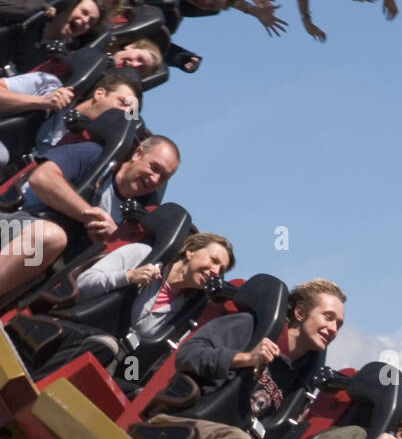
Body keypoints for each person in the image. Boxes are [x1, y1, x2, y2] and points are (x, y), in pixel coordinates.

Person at [148, 278, 346, 439]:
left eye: (339, 325)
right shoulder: (250, 326)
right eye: (328, 317)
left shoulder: (301, 378)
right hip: (180, 418)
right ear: (300, 312)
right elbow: (188, 354)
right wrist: (246, 358)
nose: (333, 330)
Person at [29, 230, 234, 380]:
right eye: (213, 260)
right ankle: (30, 394)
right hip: (77, 323)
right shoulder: (143, 255)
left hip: (125, 359)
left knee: (131, 386)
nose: (216, 271)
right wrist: (128, 276)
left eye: (221, 269)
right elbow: (83, 284)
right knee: (105, 345)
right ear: (190, 251)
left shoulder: (187, 309)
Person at [0, 132, 179, 296]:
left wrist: (109, 241)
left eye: (163, 177)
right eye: (154, 168)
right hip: (13, 226)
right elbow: (41, 179)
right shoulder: (95, 157)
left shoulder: (137, 217)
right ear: (138, 154)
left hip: (51, 272)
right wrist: (91, 216)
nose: (155, 179)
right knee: (50, 237)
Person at [34, 65, 143, 151]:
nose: (124, 112)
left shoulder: (90, 149)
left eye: (130, 112)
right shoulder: (50, 88)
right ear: (100, 94)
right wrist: (42, 102)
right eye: (122, 102)